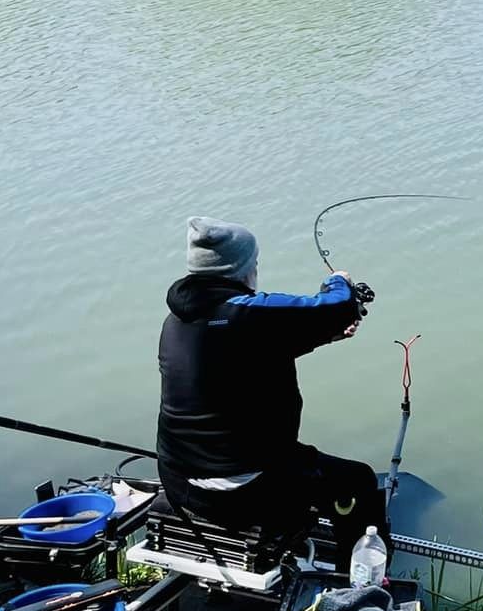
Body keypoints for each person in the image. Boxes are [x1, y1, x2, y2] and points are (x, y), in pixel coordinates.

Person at [156, 217, 389, 548]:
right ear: (241, 268)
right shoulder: (249, 314)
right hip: (247, 491)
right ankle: (361, 580)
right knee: (358, 480)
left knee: (302, 464)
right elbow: (338, 306)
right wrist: (339, 281)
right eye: (255, 262)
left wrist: (325, 336)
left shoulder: (177, 320)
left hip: (179, 482)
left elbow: (248, 352)